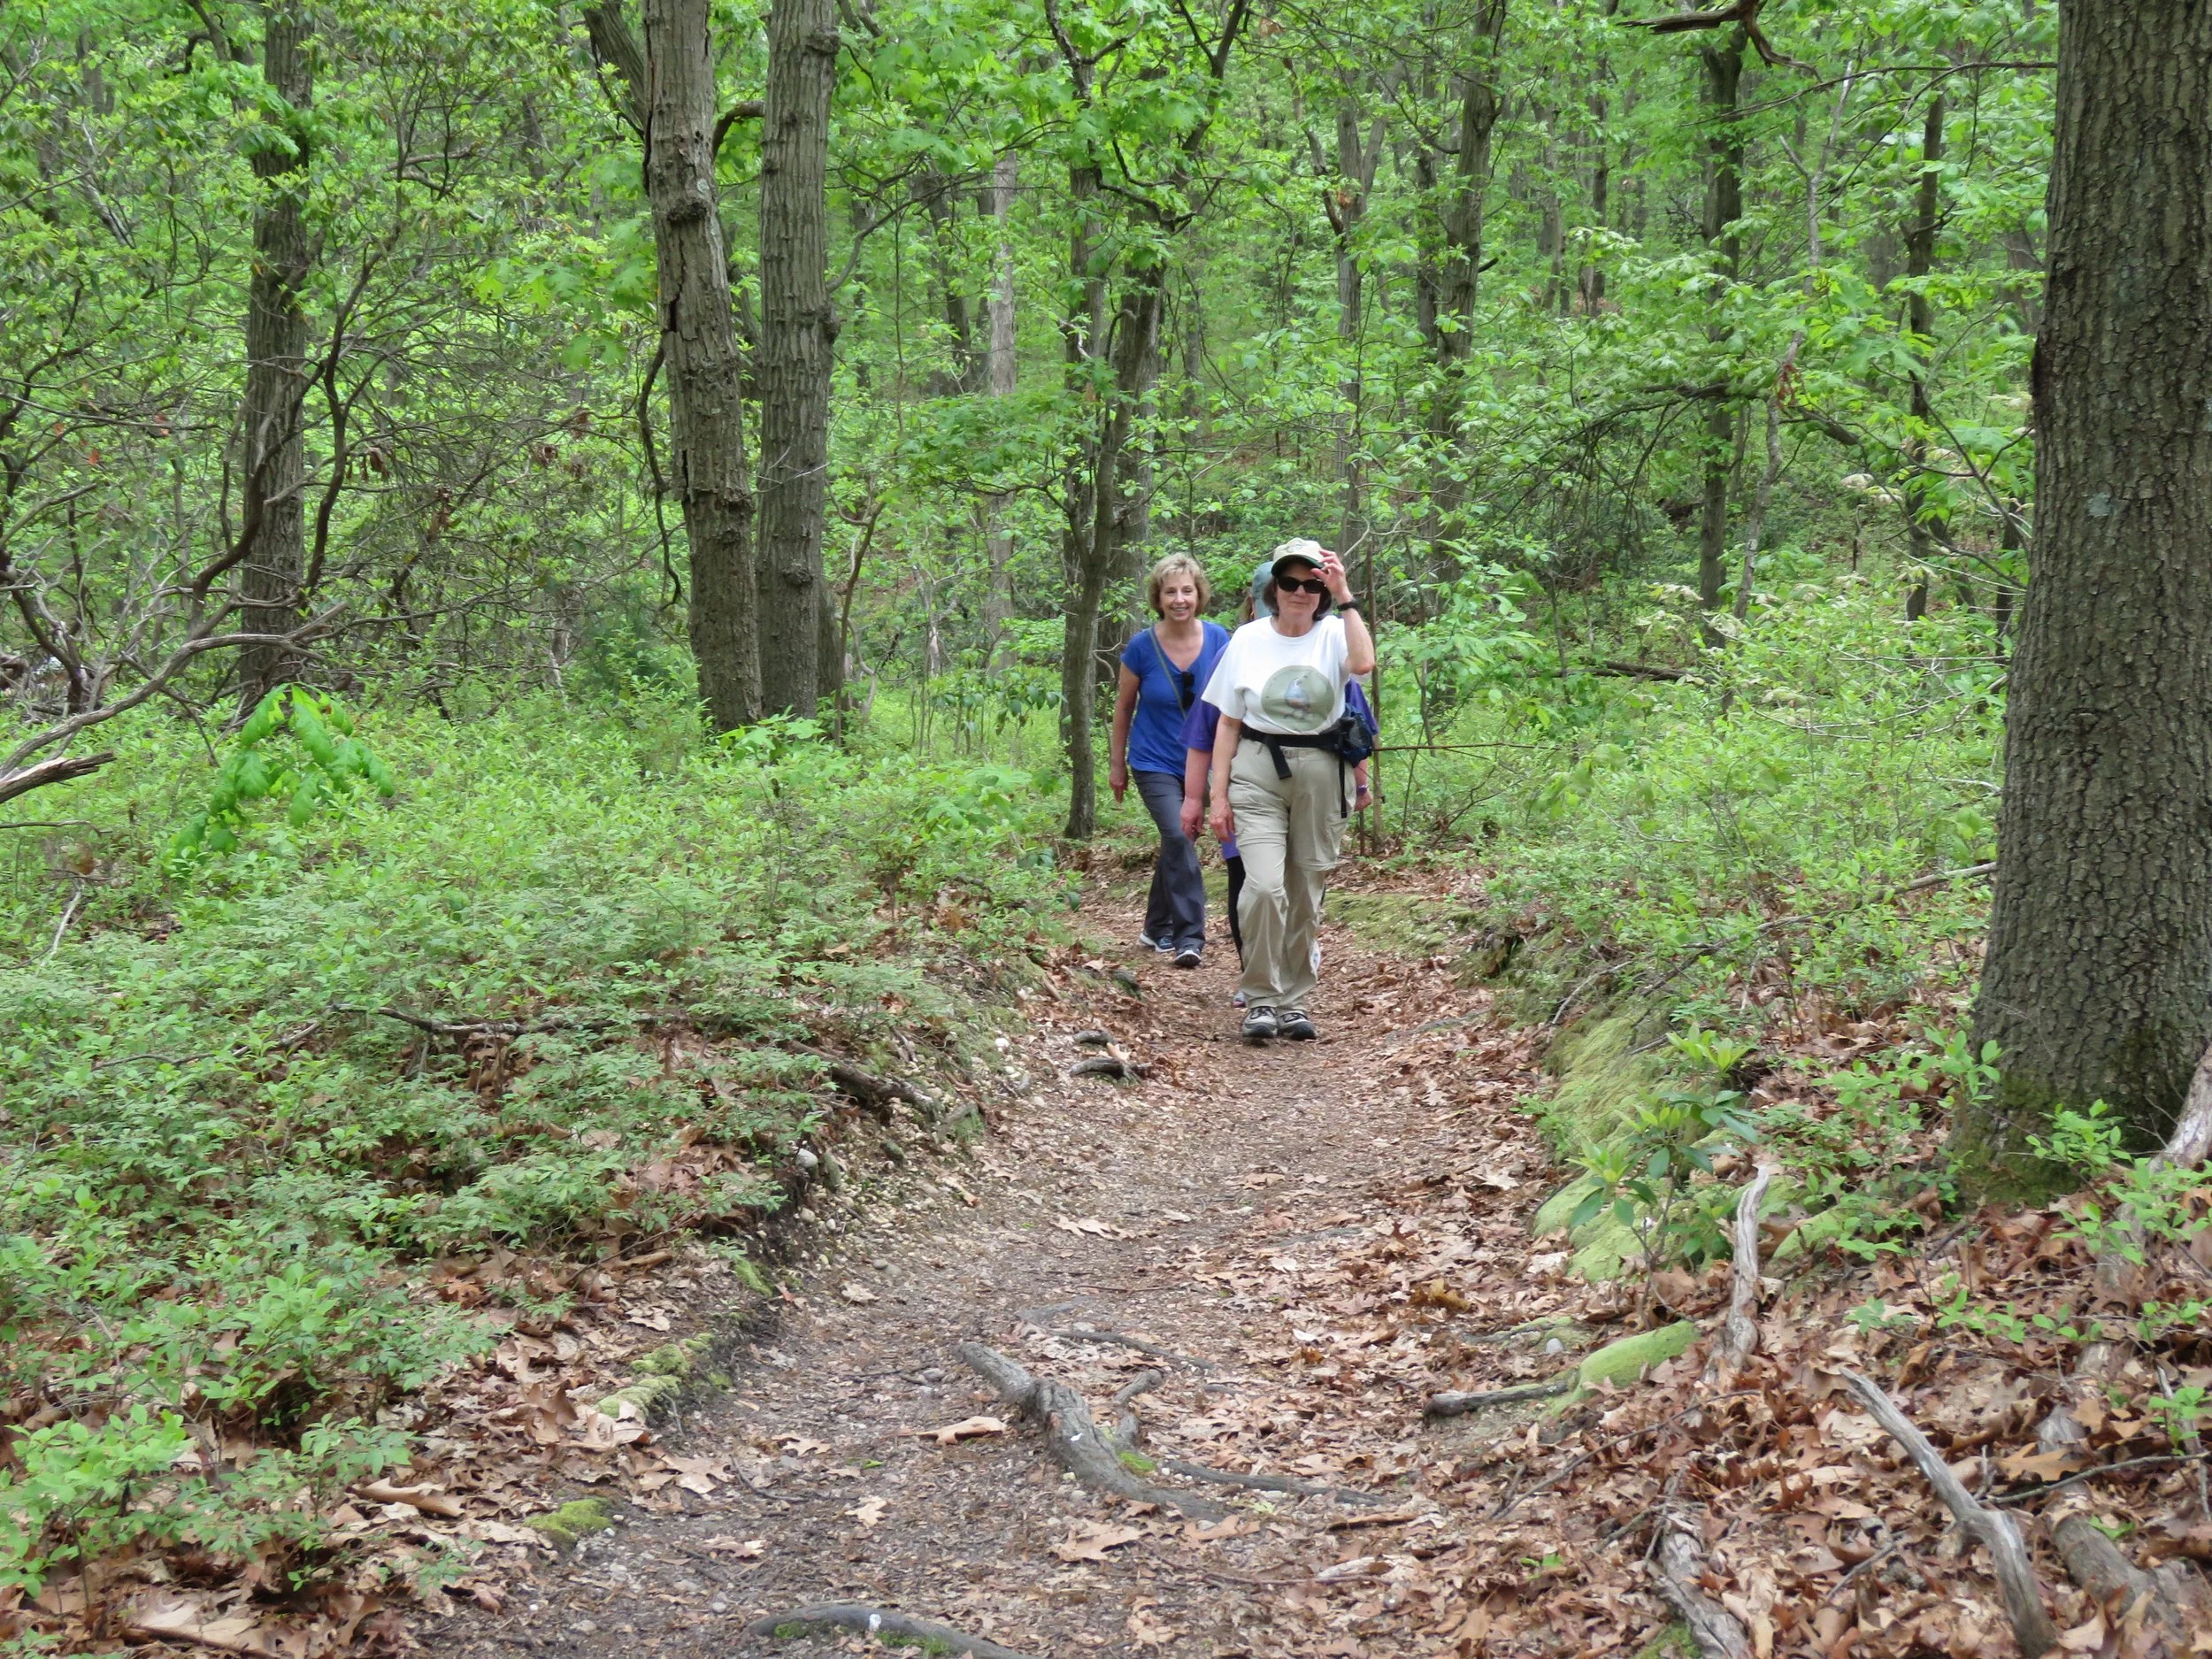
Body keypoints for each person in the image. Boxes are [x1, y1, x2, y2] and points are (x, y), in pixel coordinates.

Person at [1201, 539, 1375, 1041]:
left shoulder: (1337, 633)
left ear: (1321, 589)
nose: (1300, 592)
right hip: (1257, 769)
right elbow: (1227, 723)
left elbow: (1363, 665)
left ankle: (1294, 1000)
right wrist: (1216, 797)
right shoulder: (1248, 640)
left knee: (1305, 890)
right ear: (1273, 588)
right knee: (1262, 887)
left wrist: (1344, 594)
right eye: (1289, 582)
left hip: (1323, 770)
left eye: (1310, 583)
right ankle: (1260, 997)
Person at [1110, 553, 1230, 968]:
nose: (1179, 599)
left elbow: (1233, 704)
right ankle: (1189, 935)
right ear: (1158, 599)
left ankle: (1154, 925)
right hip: (1153, 760)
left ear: (1199, 595)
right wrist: (1116, 765)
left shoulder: (1220, 640)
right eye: (1170, 592)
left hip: (1205, 761)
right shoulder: (1142, 647)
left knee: (1180, 841)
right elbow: (1123, 708)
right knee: (1179, 836)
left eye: (1187, 591)